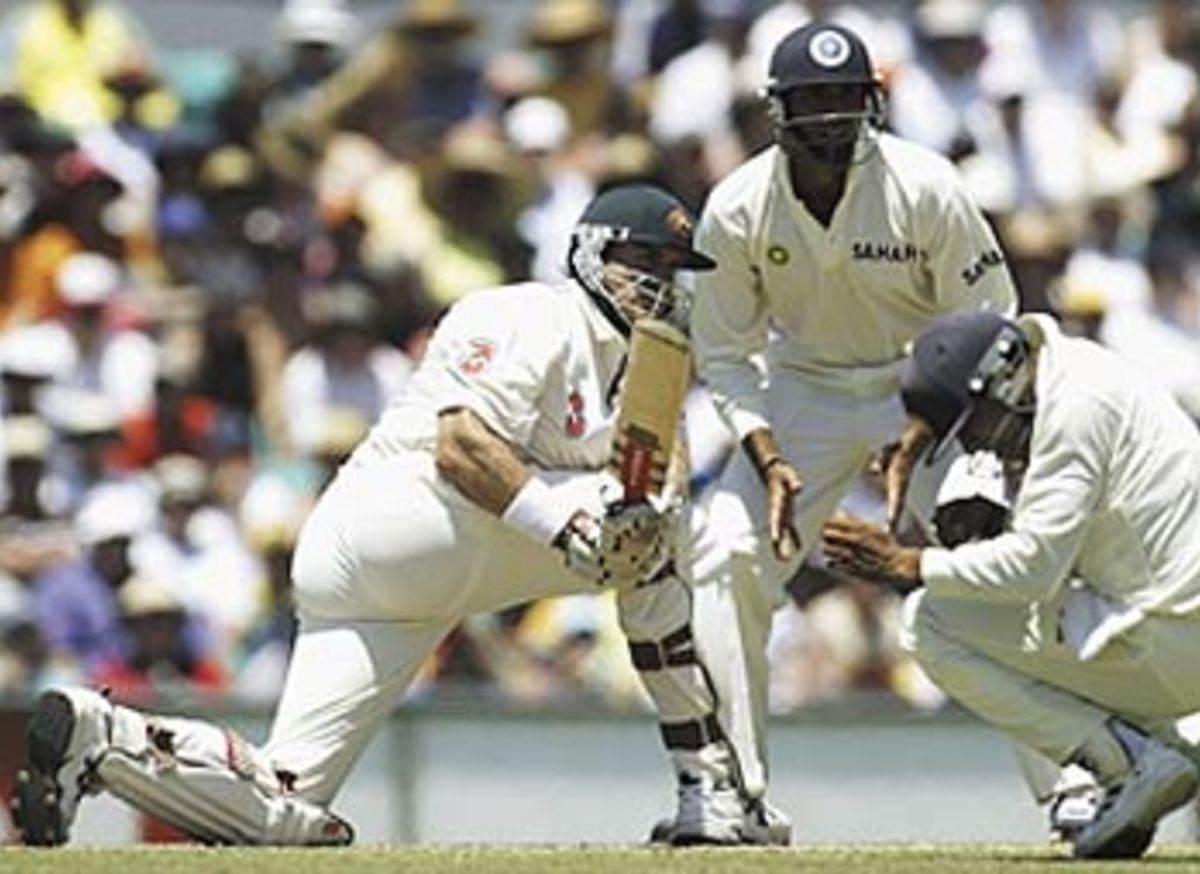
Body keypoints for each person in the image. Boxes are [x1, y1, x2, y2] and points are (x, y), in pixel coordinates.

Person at [11, 184, 766, 847]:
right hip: (398, 515)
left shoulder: (658, 373)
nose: (661, 283)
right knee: (653, 536)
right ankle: (711, 790)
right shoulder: (533, 310)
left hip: (404, 586)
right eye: (648, 262)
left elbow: (650, 495)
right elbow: (460, 445)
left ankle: (103, 736)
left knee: (286, 809)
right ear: (592, 253)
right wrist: (574, 527)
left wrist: (615, 519)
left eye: (674, 269)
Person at [685, 19, 1017, 832]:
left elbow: (991, 321)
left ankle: (1078, 786)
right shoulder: (736, 206)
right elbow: (724, 352)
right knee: (724, 552)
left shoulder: (926, 184)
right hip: (805, 388)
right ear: (779, 110)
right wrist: (764, 455)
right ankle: (737, 800)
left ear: (873, 101)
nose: (832, 116)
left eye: (845, 97)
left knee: (994, 556)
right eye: (813, 99)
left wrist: (925, 423)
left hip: (926, 386)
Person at [821, 310, 1200, 859]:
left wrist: (907, 563)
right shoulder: (1068, 371)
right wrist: (928, 420)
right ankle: (1160, 750)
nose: (980, 447)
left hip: (1172, 638)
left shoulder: (1073, 413)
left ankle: (1134, 761)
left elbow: (1032, 569)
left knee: (930, 621)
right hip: (1168, 619)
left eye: (970, 427)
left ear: (1000, 381)